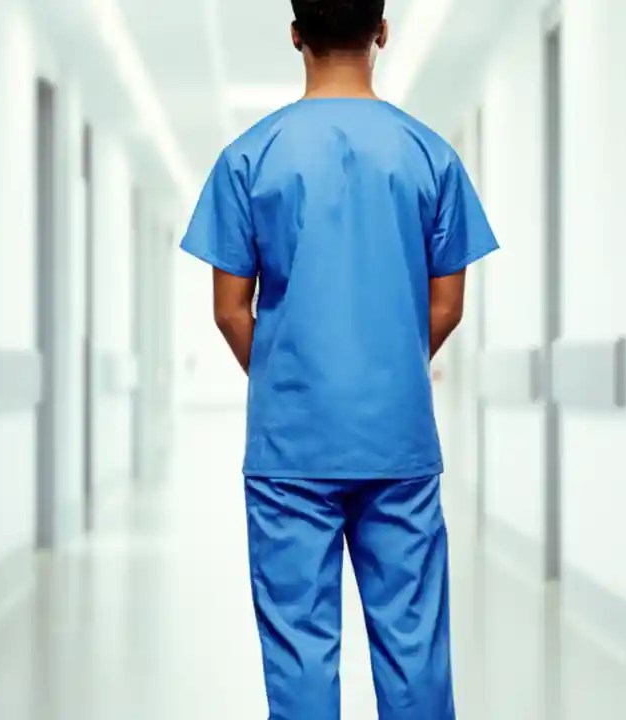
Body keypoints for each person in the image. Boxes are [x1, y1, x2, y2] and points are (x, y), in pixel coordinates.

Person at [179, 1, 499, 717]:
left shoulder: (249, 157)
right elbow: (446, 306)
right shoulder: (429, 155)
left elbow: (231, 308)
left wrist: (295, 379)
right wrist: (384, 367)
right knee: (414, 645)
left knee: (298, 648)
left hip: (290, 447)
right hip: (398, 441)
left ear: (295, 35)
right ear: (381, 32)